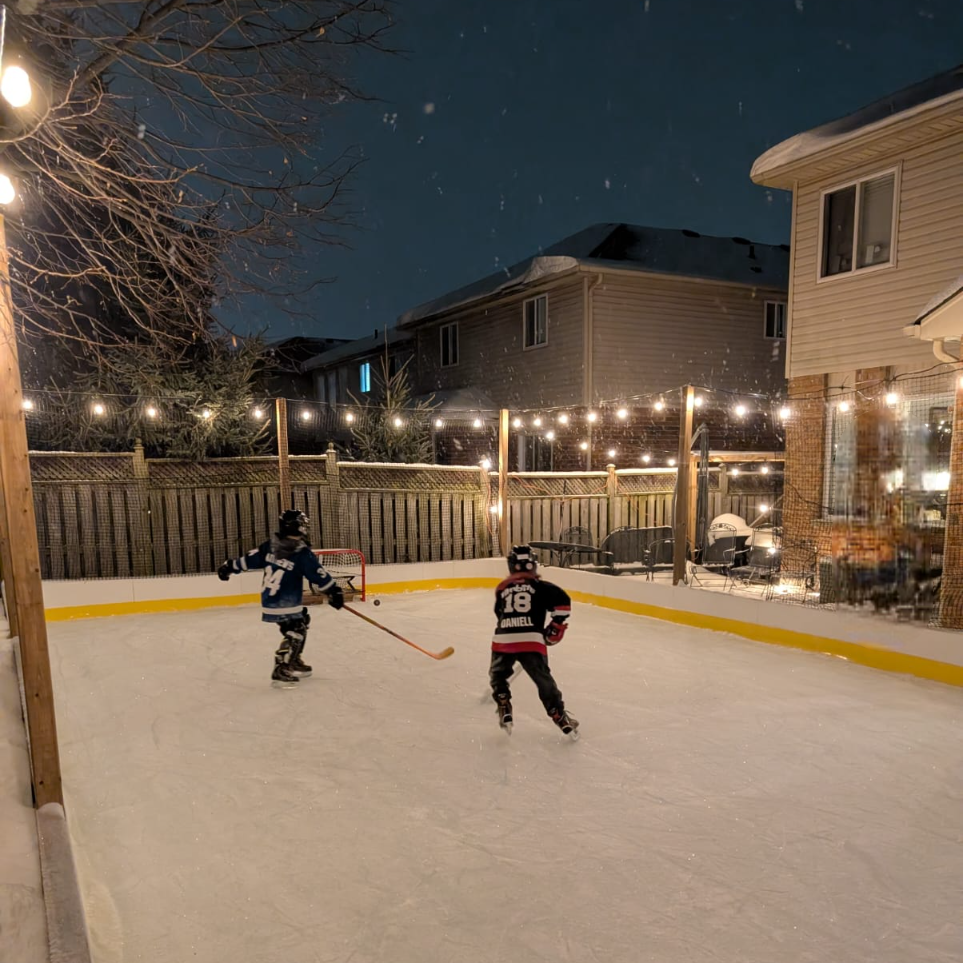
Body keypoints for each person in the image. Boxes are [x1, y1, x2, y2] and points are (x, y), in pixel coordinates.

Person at [217, 510, 344, 687]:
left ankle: (294, 659)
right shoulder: (301, 552)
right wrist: (333, 591)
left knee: (301, 620)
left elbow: (249, 560)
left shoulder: (270, 546)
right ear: (297, 527)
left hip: (270, 600)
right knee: (297, 630)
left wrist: (229, 567)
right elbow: (318, 574)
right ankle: (282, 666)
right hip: (287, 602)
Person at [490, 545, 578, 737]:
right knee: (543, 680)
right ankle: (557, 713)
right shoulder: (542, 587)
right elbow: (563, 604)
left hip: (503, 639)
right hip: (531, 641)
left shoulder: (502, 588)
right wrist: (556, 625)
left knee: (498, 674)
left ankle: (503, 700)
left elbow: (499, 613)